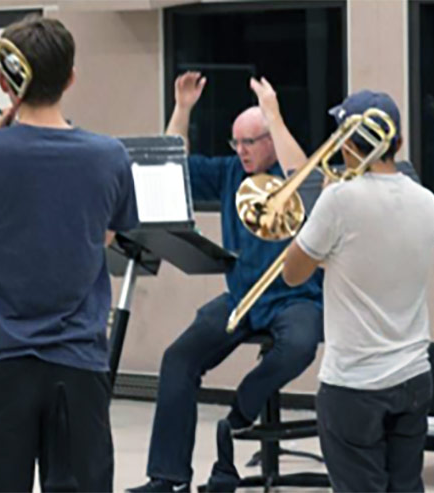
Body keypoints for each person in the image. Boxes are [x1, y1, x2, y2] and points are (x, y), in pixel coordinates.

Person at [0, 15, 139, 492]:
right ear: (71, 78)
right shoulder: (110, 155)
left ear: (5, 81)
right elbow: (105, 237)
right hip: (79, 366)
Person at [128, 74, 323, 493]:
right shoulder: (230, 171)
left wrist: (273, 113)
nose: (241, 151)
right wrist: (182, 109)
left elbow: (305, 179)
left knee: (301, 346)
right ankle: (167, 477)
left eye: (249, 142)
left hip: (296, 298)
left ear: (270, 141)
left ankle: (239, 412)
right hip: (242, 296)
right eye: (236, 142)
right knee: (178, 358)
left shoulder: (290, 168)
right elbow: (170, 165)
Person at [282, 90, 434, 492]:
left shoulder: (338, 199)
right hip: (414, 375)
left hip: (353, 384)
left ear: (346, 143)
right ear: (399, 144)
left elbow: (292, 273)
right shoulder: (428, 201)